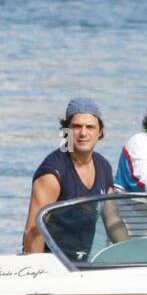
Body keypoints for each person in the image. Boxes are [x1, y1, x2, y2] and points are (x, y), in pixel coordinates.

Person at [22, 97, 127, 258]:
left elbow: (112, 220)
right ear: (66, 131)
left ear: (99, 132)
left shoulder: (103, 165)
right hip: (54, 264)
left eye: (90, 127)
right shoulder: (53, 171)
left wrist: (131, 250)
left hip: (85, 262)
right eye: (77, 126)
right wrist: (36, 270)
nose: (83, 133)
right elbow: (33, 229)